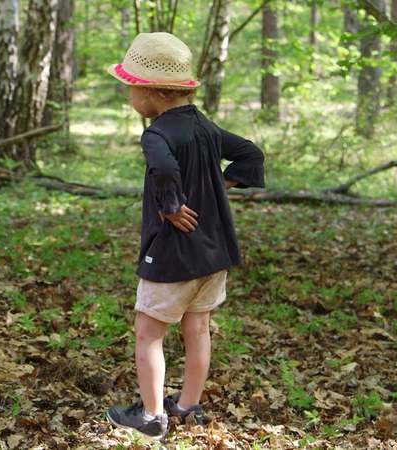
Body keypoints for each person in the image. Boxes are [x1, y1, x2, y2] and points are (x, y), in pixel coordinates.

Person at [104, 32, 265, 441]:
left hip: (174, 257)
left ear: (151, 92)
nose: (130, 98)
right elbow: (251, 153)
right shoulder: (206, 127)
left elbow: (162, 168)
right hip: (214, 253)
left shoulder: (156, 134)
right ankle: (190, 408)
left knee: (148, 331)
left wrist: (172, 204)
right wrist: (220, 183)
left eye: (130, 89)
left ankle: (153, 416)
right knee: (198, 328)